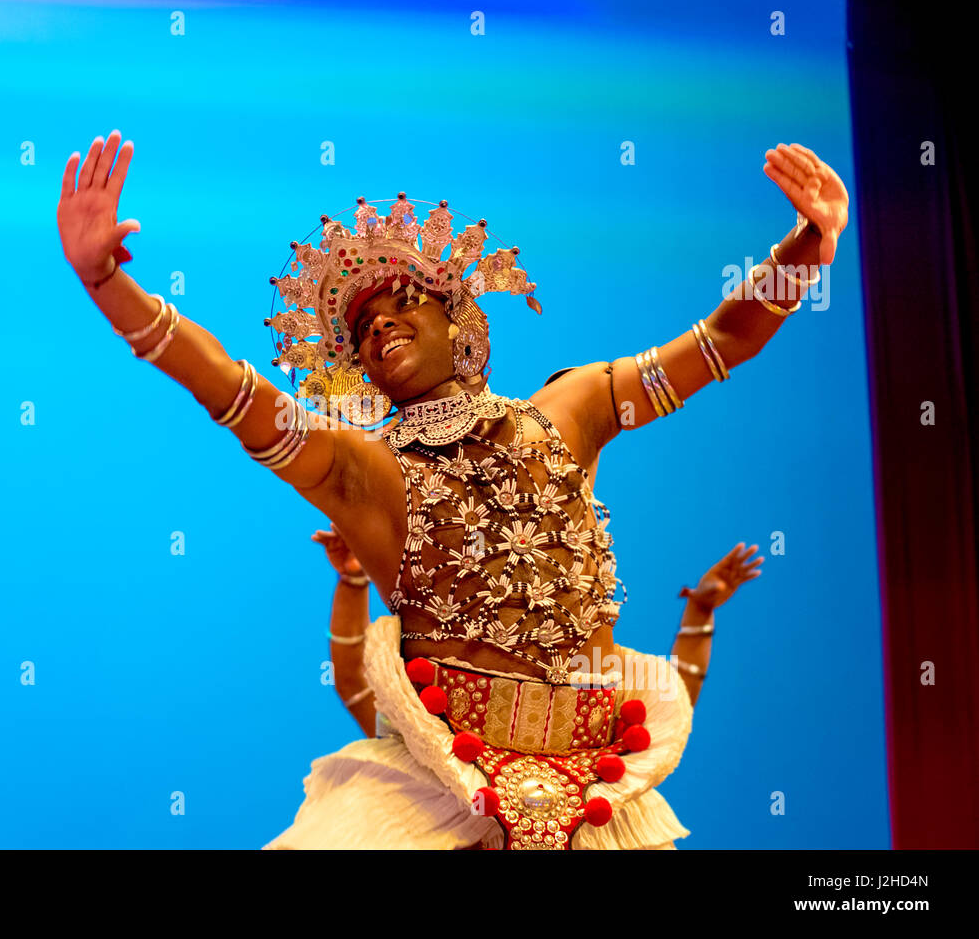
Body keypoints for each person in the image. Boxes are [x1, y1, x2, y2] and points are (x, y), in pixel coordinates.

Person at [56, 132, 849, 849]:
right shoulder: (361, 473)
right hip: (439, 801)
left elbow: (717, 344)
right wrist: (108, 285)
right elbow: (231, 389)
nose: (380, 326)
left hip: (600, 791)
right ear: (357, 369)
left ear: (458, 320)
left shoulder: (571, 408)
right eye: (362, 329)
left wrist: (807, 247)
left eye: (402, 303)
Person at [317, 524, 764, 731]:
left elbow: (675, 702)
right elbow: (356, 683)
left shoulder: (596, 742)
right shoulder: (429, 731)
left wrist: (701, 612)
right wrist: (354, 578)